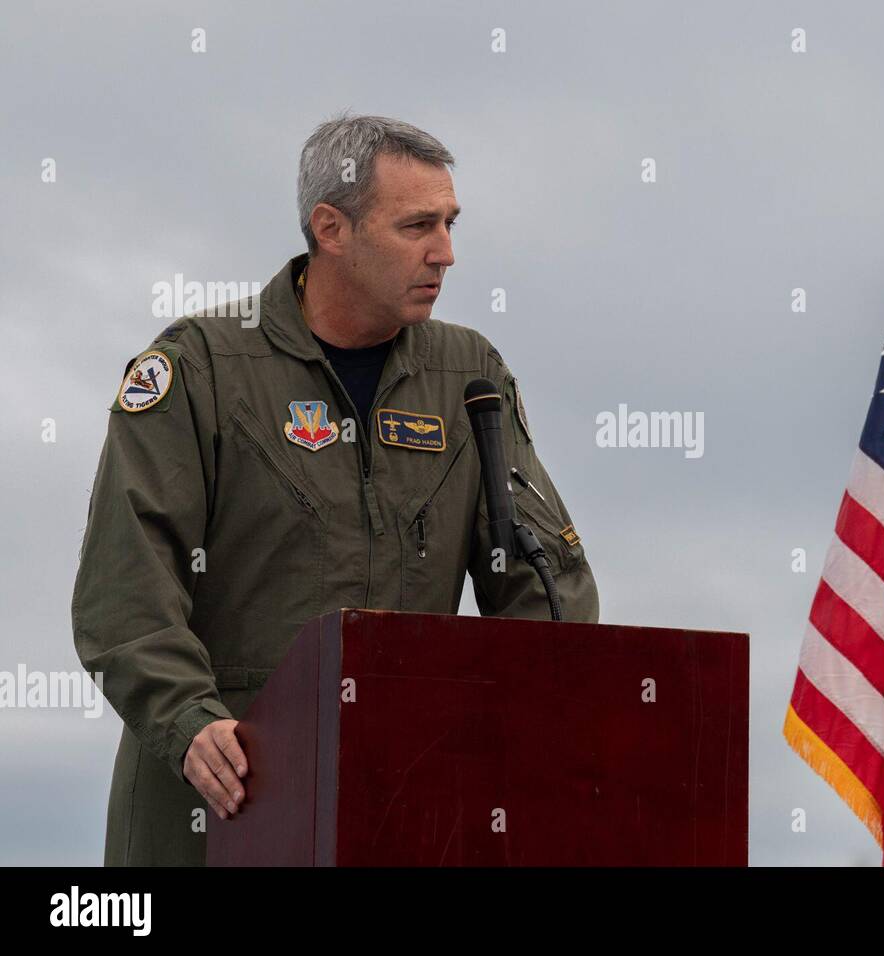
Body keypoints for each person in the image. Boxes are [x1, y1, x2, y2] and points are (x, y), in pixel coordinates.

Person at [71, 114, 598, 866]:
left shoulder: (468, 378)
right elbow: (123, 591)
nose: (445, 253)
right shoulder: (200, 370)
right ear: (331, 228)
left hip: (411, 808)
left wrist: (532, 722)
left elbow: (542, 582)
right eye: (417, 225)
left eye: (449, 223)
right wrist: (189, 721)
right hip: (221, 811)